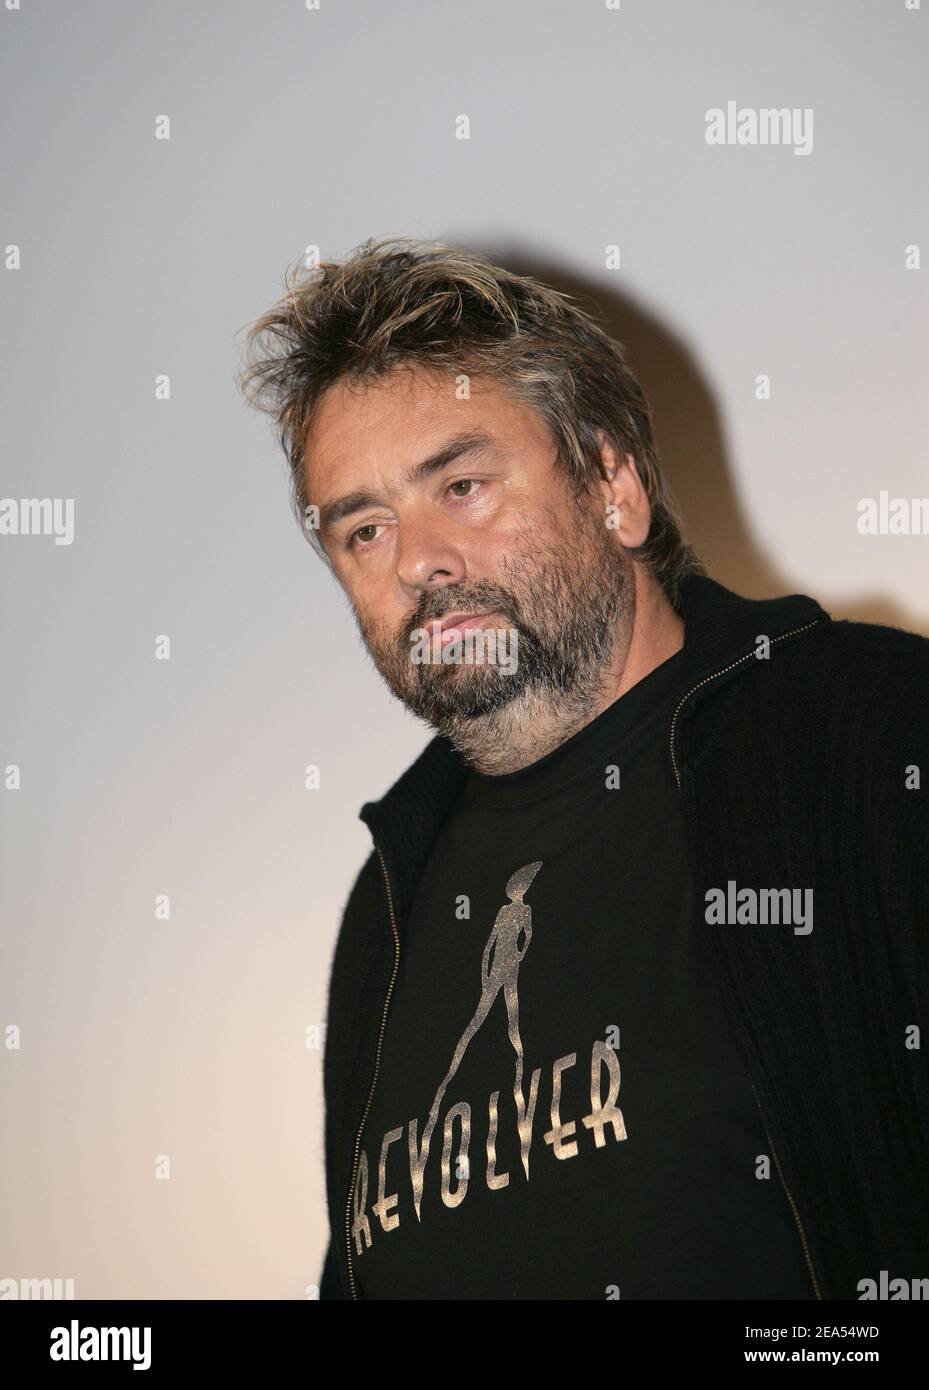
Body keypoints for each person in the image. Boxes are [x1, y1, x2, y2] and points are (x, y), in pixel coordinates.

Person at [237, 236, 929, 1300]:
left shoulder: (864, 733)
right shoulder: (388, 906)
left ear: (612, 483)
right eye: (363, 529)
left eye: (460, 484)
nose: (417, 559)